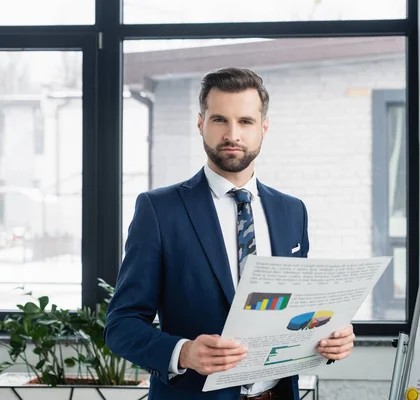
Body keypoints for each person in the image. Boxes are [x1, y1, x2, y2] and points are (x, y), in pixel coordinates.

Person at [105, 67, 356, 400]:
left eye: (246, 122)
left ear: (264, 128)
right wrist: (183, 352)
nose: (232, 134)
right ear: (201, 124)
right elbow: (121, 325)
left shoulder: (291, 211)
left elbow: (297, 310)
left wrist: (331, 335)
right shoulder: (159, 209)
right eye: (220, 120)